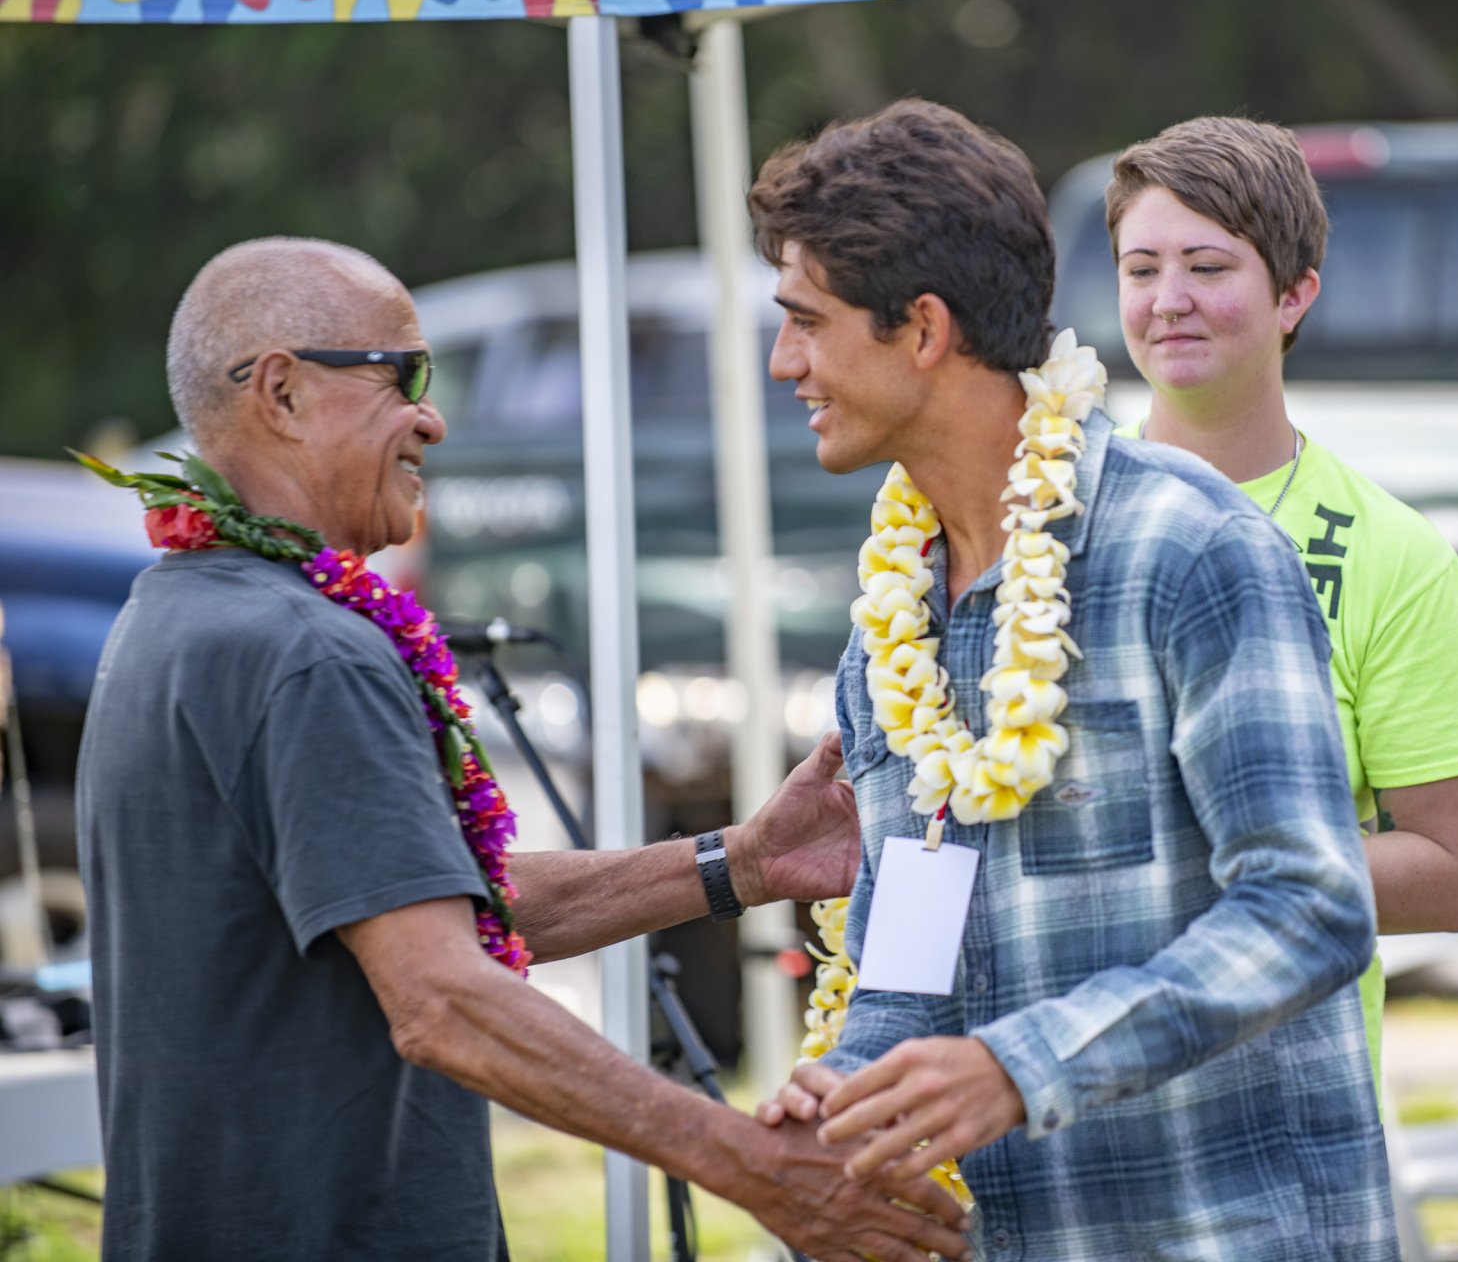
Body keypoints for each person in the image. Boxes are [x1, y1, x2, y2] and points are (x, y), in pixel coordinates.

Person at [74, 237, 969, 1262]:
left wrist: (747, 859)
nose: (433, 419)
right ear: (282, 391)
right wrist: (755, 1164)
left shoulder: (177, 612)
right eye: (403, 377)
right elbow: (441, 997)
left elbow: (423, 909)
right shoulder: (306, 652)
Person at [750, 101, 1397, 1259]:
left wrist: (1018, 1066)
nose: (783, 362)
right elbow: (907, 960)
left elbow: (1312, 906)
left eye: (806, 321)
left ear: (924, 328)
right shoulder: (892, 620)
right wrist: (841, 1097)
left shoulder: (1192, 550)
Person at [1104, 116, 1458, 1081]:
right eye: (1141, 269)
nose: (1168, 301)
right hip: (1066, 1102)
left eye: (1208, 267)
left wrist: (1191, 875)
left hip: (1287, 1102)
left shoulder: (1397, 556)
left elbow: (1455, 874)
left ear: (1295, 295)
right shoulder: (1051, 515)